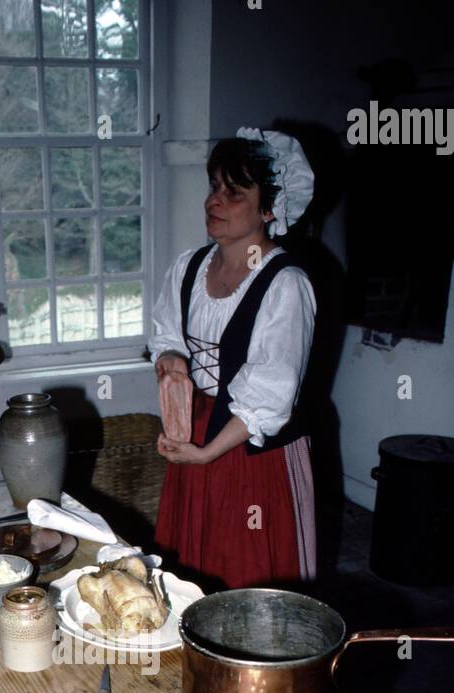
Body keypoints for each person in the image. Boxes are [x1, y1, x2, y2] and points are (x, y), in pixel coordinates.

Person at [151, 128, 317, 588]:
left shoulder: (286, 285)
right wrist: (172, 362)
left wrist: (207, 453)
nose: (215, 201)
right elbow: (167, 335)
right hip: (195, 432)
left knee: (247, 574)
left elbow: (270, 392)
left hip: (251, 449)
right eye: (214, 187)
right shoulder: (189, 267)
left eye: (234, 192)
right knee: (190, 566)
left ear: (269, 208)